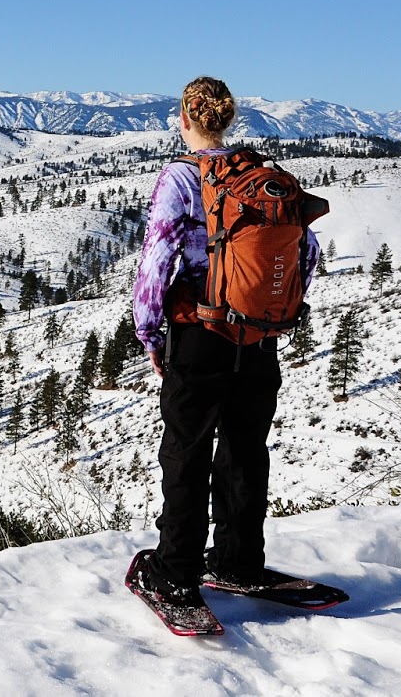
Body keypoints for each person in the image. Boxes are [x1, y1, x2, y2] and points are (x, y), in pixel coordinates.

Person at [127, 75, 320, 607]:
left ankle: (176, 572)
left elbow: (157, 259)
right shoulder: (265, 177)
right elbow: (309, 252)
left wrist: (149, 330)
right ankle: (238, 560)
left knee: (186, 452)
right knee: (245, 451)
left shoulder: (181, 178)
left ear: (184, 117)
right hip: (257, 338)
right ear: (229, 119)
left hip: (200, 331)